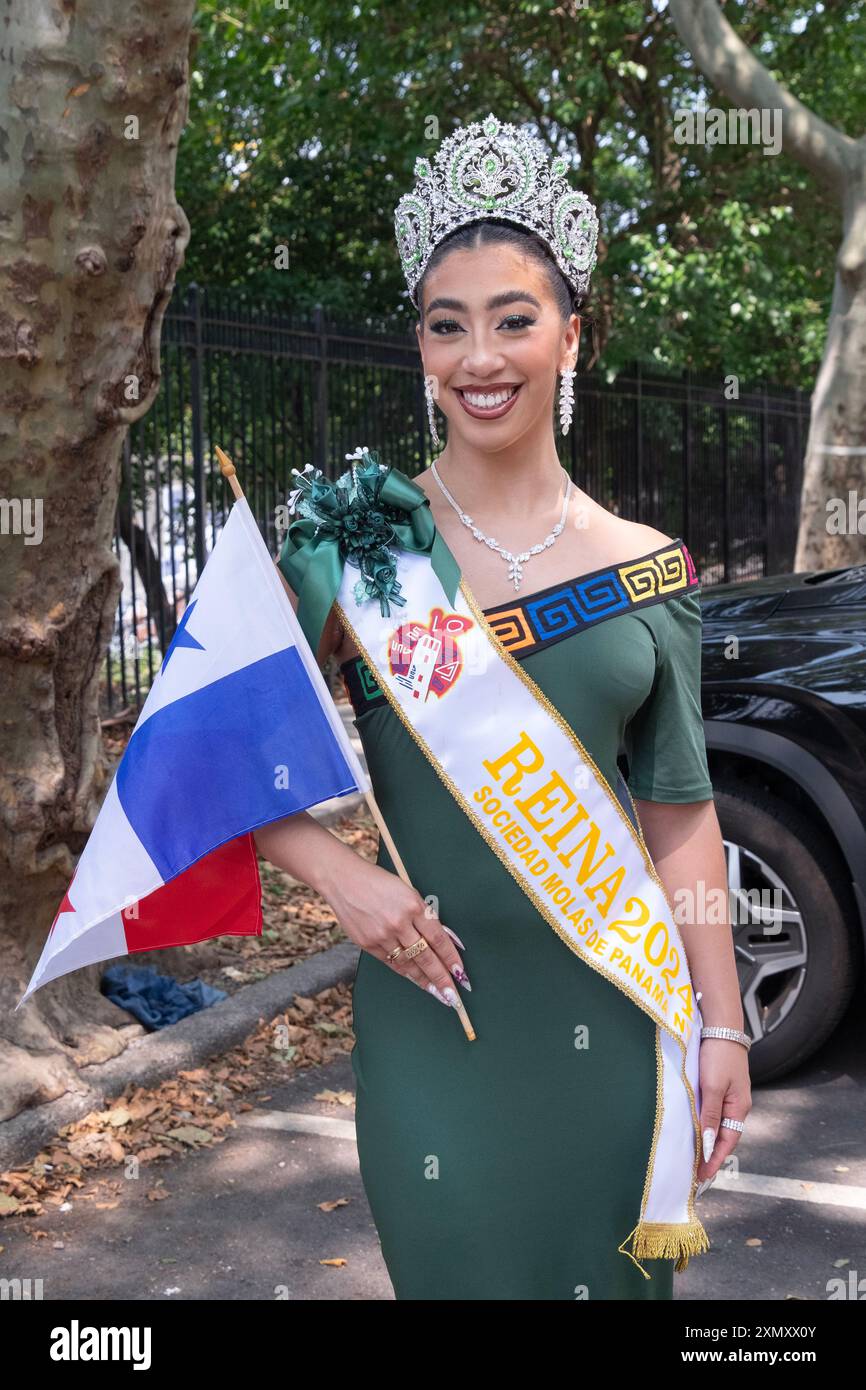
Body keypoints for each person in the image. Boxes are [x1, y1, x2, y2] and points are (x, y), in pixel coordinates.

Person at [255, 113, 751, 1300]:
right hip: (441, 1020)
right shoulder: (354, 543)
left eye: (513, 320)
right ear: (421, 348)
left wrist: (724, 1025)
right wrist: (344, 879)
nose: (479, 356)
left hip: (619, 1022)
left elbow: (679, 812)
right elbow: (227, 767)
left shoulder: (647, 568)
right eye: (446, 325)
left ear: (569, 337)